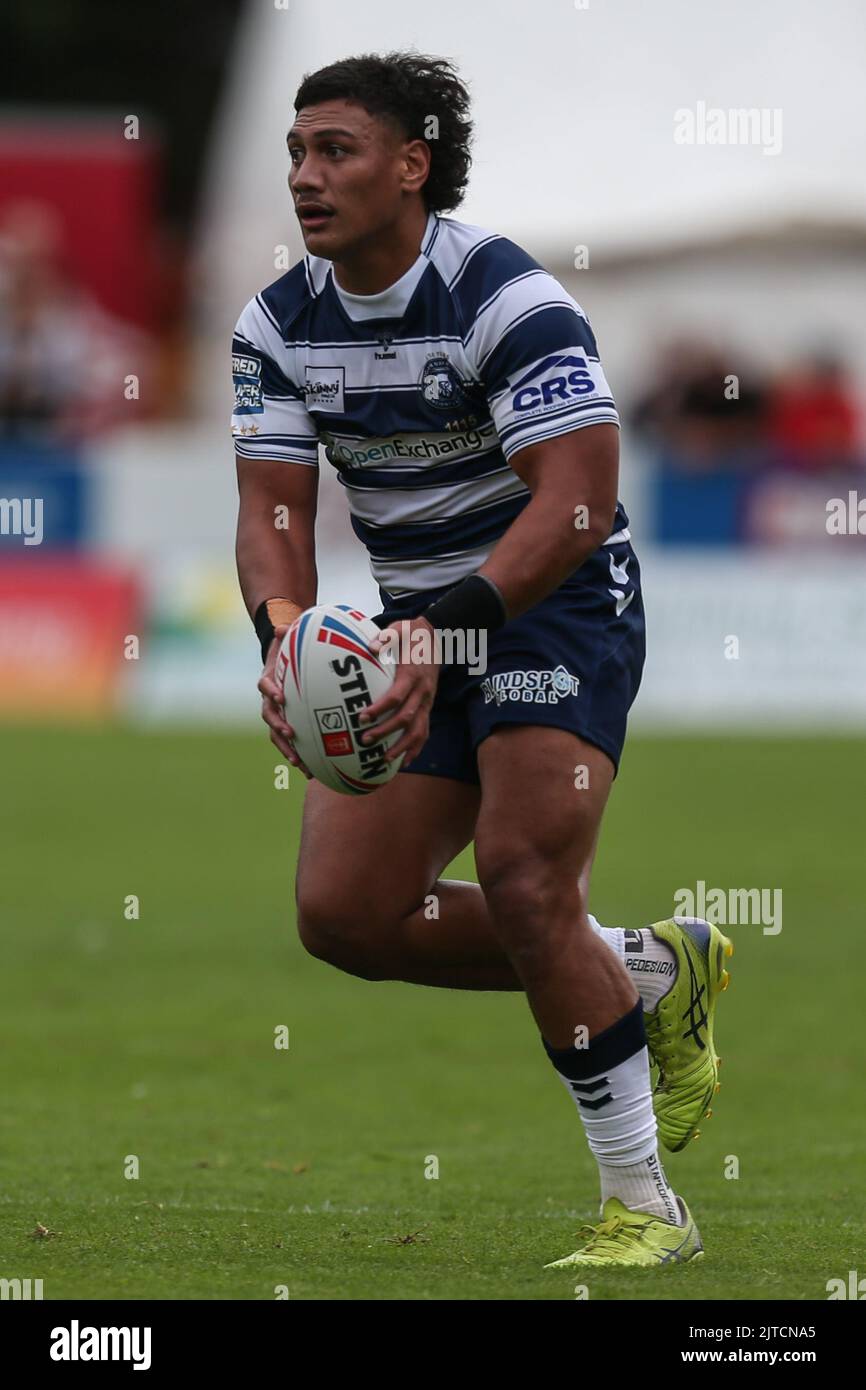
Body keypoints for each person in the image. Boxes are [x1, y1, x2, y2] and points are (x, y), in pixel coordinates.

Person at [232, 51, 732, 1268]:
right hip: (415, 621)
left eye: (334, 150)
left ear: (412, 166)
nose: (304, 175)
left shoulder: (507, 298)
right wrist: (285, 629)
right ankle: (648, 968)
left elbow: (575, 500)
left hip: (553, 603)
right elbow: (273, 512)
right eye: (296, 151)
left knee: (521, 878)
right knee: (344, 916)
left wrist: (438, 623)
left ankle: (643, 1208)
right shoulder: (275, 322)